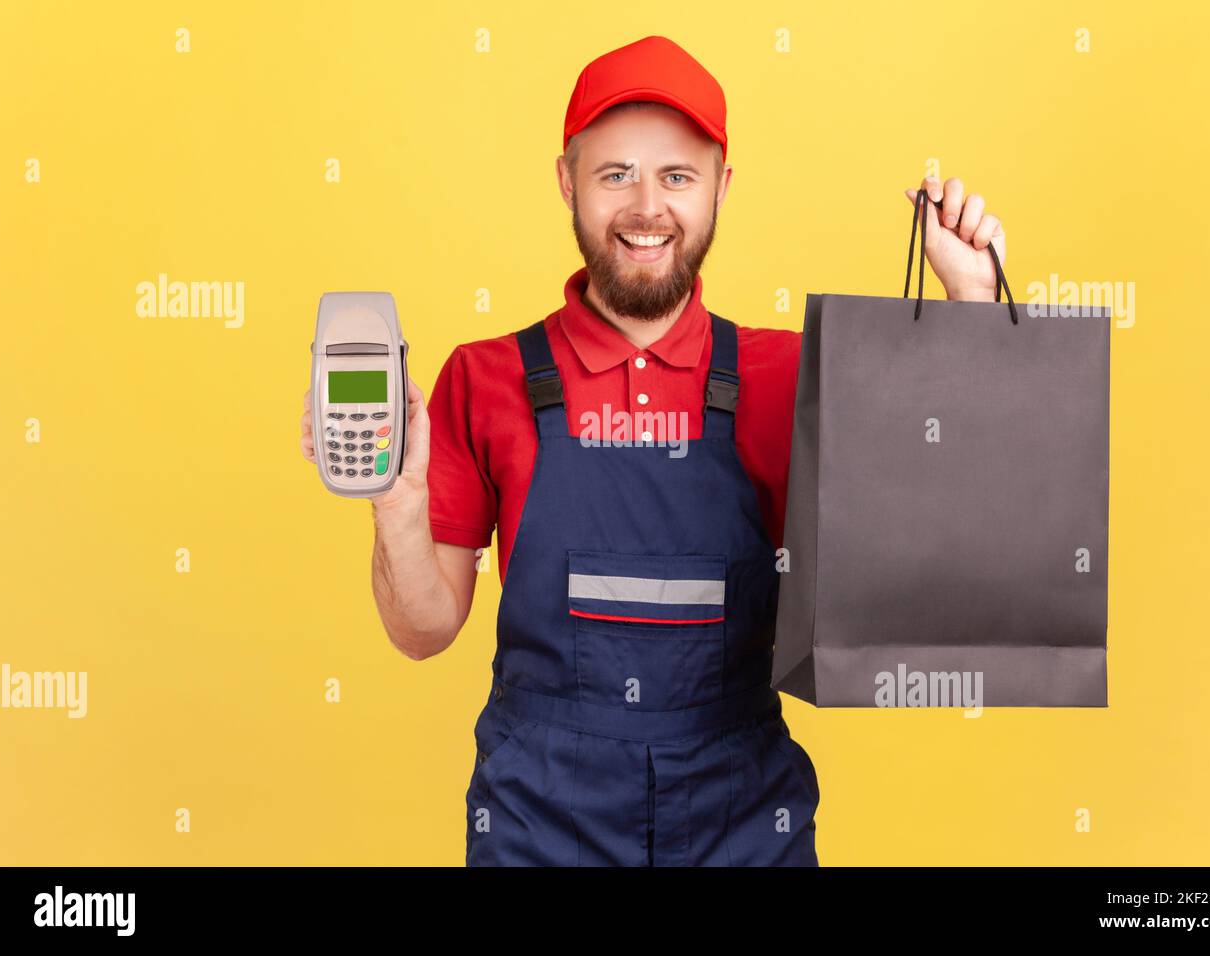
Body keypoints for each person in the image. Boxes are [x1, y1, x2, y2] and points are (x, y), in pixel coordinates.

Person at [299, 35, 1007, 866]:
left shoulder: (792, 376)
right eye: (615, 174)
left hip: (744, 821)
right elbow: (421, 632)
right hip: (538, 822)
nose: (646, 208)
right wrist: (395, 497)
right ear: (567, 181)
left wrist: (971, 303)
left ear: (721, 186)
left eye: (676, 176)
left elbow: (928, 530)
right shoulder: (484, 378)